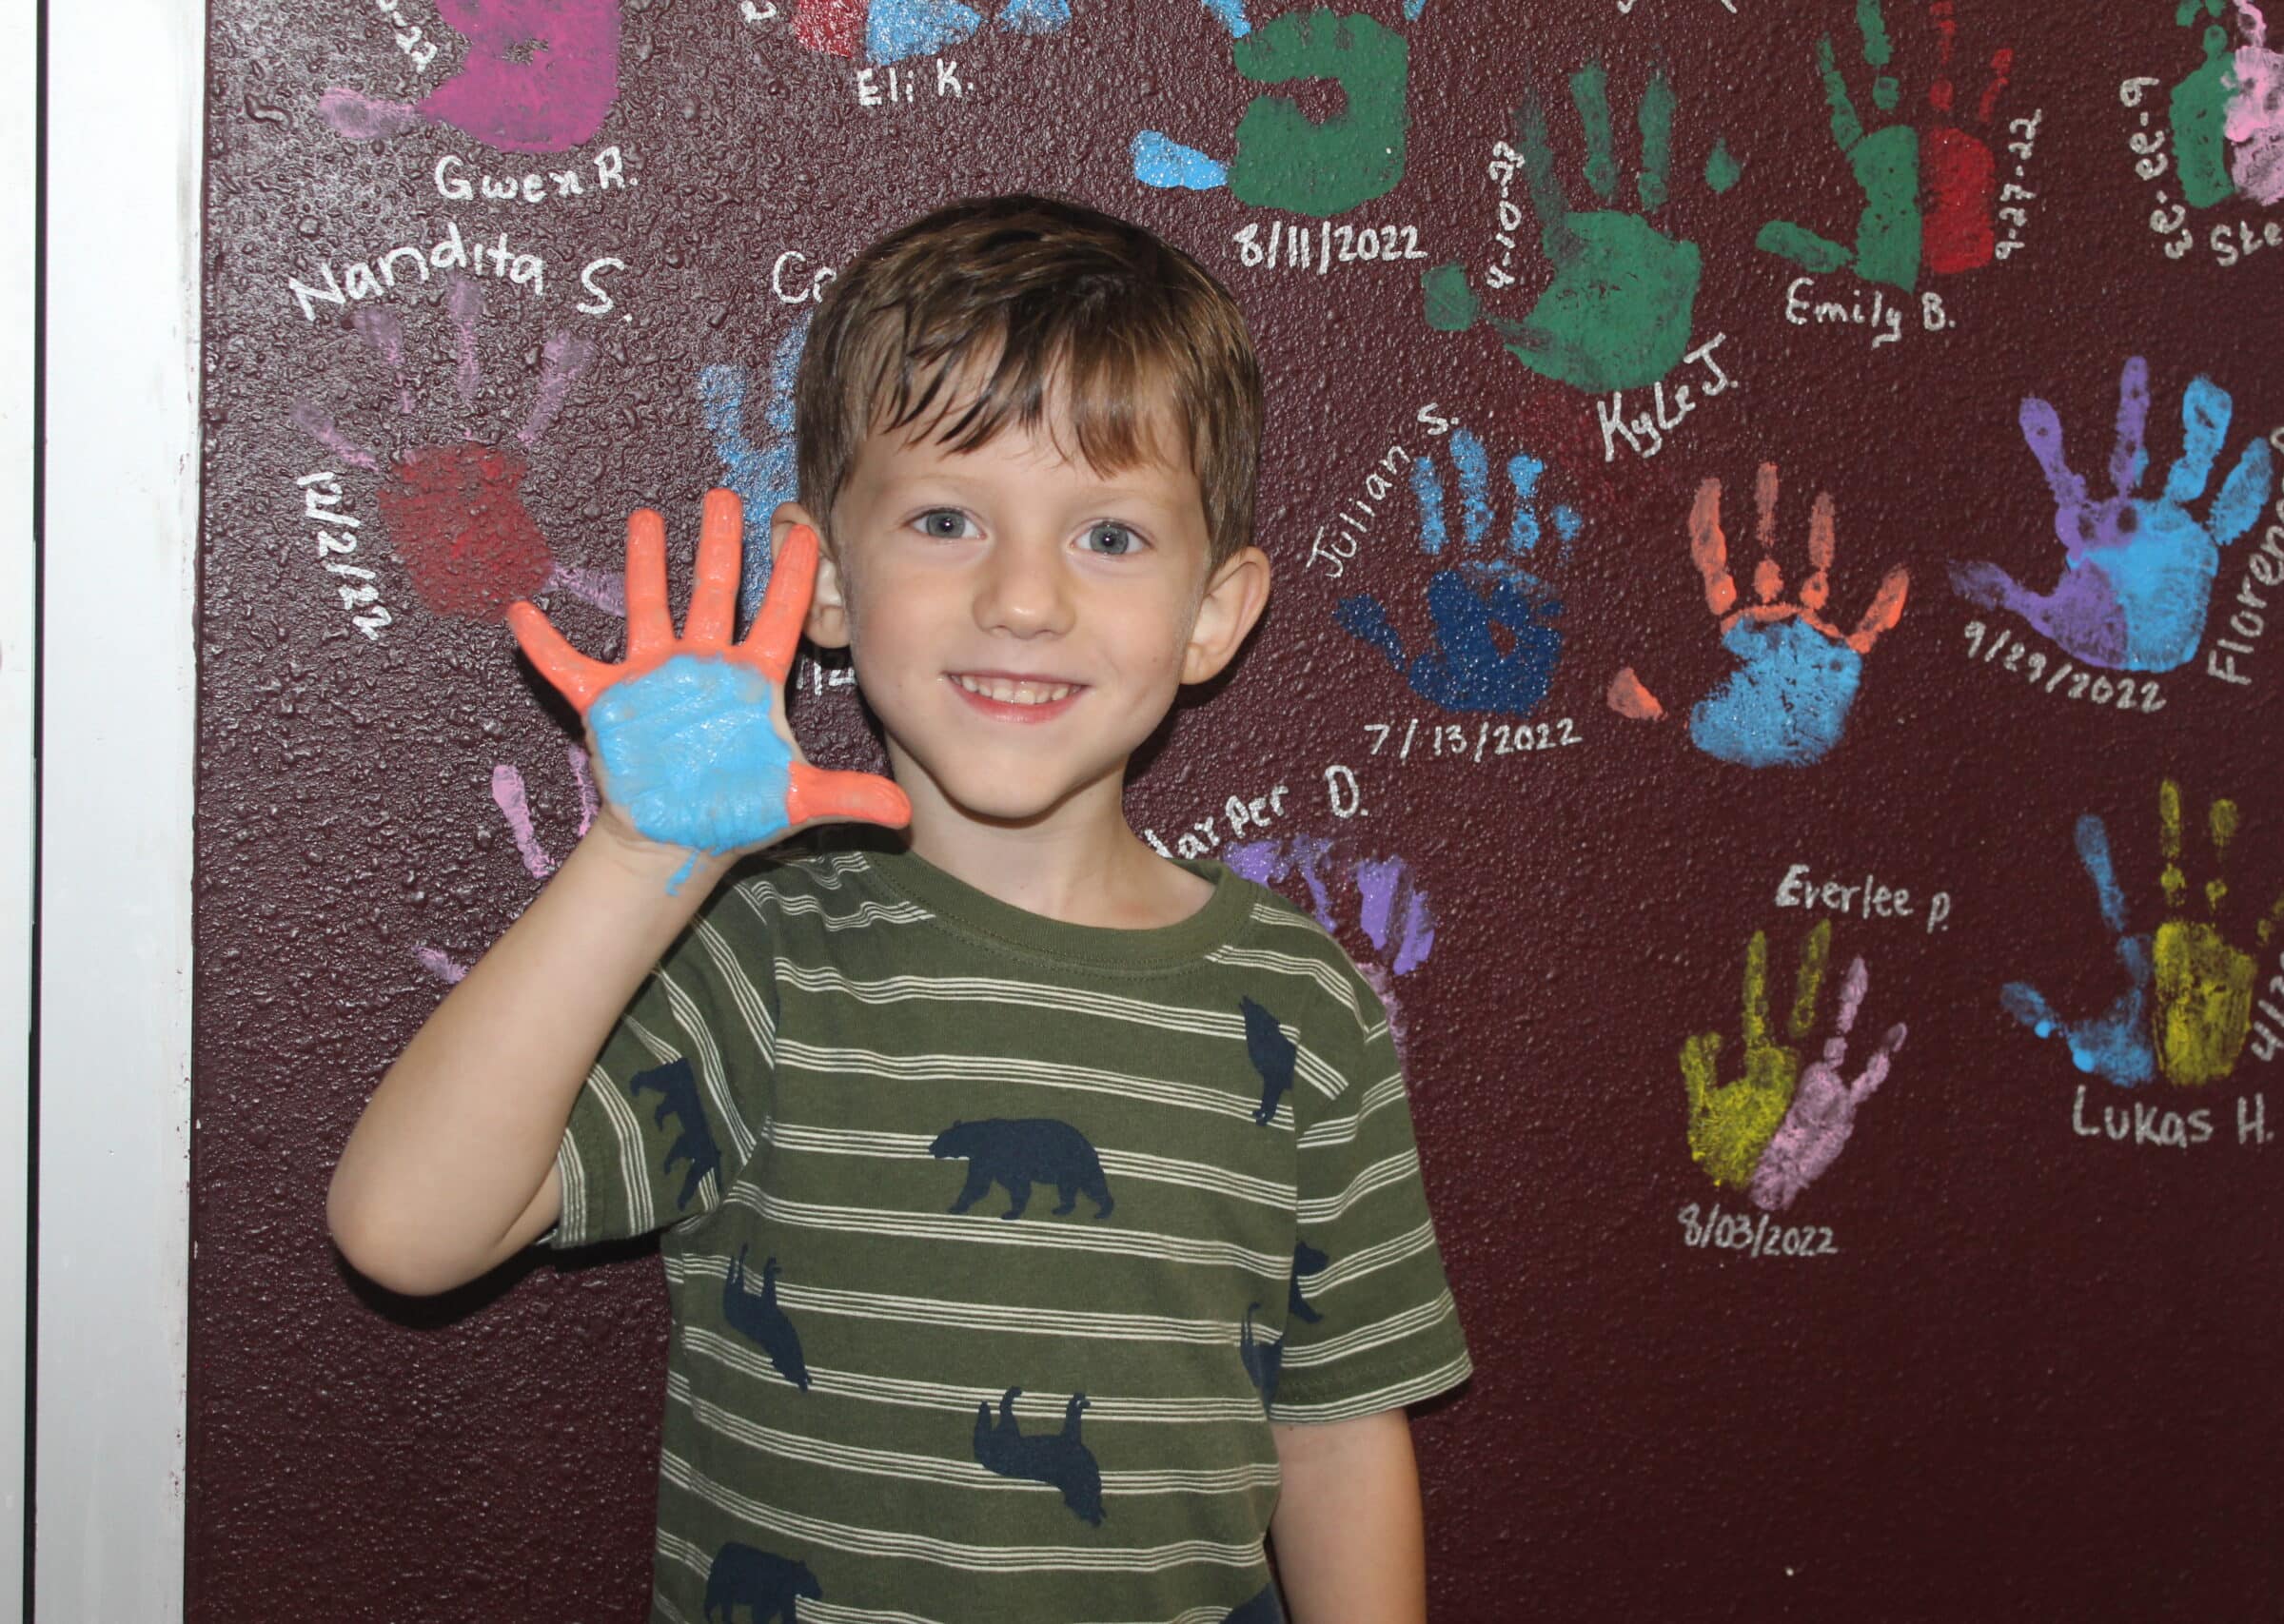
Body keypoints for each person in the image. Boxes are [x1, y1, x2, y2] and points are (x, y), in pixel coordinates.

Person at [327, 193, 1470, 1622]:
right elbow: (403, 1232)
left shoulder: (1302, 1009)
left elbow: (1339, 1428)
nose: (1024, 600)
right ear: (823, 583)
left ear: (1214, 613)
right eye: (945, 520)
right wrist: (635, 858)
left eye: (1111, 537)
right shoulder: (761, 959)